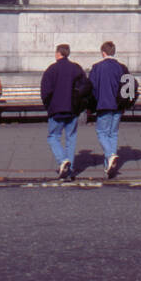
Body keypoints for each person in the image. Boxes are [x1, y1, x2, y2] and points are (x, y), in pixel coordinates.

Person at [40, 44, 87, 181]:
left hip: (56, 109)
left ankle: (63, 160)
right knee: (71, 139)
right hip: (72, 109)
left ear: (58, 53)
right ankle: (70, 169)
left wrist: (49, 107)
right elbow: (85, 88)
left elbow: (45, 92)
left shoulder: (51, 69)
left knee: (53, 137)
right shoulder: (76, 68)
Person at [88, 41, 128, 178]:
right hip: (118, 106)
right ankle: (109, 166)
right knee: (113, 134)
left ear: (103, 52)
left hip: (103, 105)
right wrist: (125, 105)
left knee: (101, 133)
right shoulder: (121, 67)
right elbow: (128, 87)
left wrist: (90, 108)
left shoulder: (97, 67)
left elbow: (91, 89)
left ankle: (110, 156)